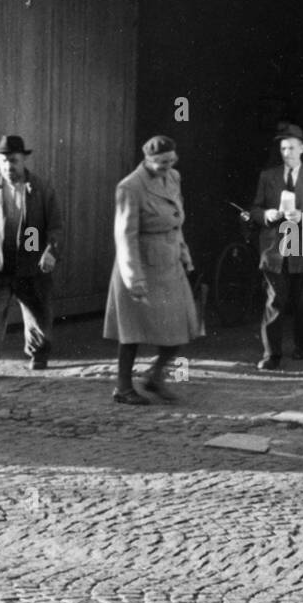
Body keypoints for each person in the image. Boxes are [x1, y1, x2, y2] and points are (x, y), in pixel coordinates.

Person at [104, 135, 199, 405]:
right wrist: (134, 279)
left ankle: (155, 378)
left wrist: (185, 255)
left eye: (170, 161)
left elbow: (175, 221)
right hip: (140, 263)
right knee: (133, 330)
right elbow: (125, 236)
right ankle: (123, 388)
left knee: (181, 326)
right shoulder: (130, 187)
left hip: (169, 263)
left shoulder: (173, 177)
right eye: (160, 163)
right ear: (147, 160)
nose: (166, 167)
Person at [0, 135, 63, 380]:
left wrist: (49, 252)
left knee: (38, 313)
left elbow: (54, 226)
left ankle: (38, 353)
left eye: (14, 161)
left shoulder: (40, 188)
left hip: (30, 262)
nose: (9, 166)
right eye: (4, 161)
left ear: (24, 160)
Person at [245, 123, 303, 369]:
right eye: (283, 148)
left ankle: (302, 346)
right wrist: (267, 215)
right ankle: (271, 355)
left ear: (302, 148)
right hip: (274, 249)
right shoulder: (268, 177)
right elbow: (254, 209)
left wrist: (302, 217)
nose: (287, 153)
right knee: (274, 301)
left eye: (292, 148)